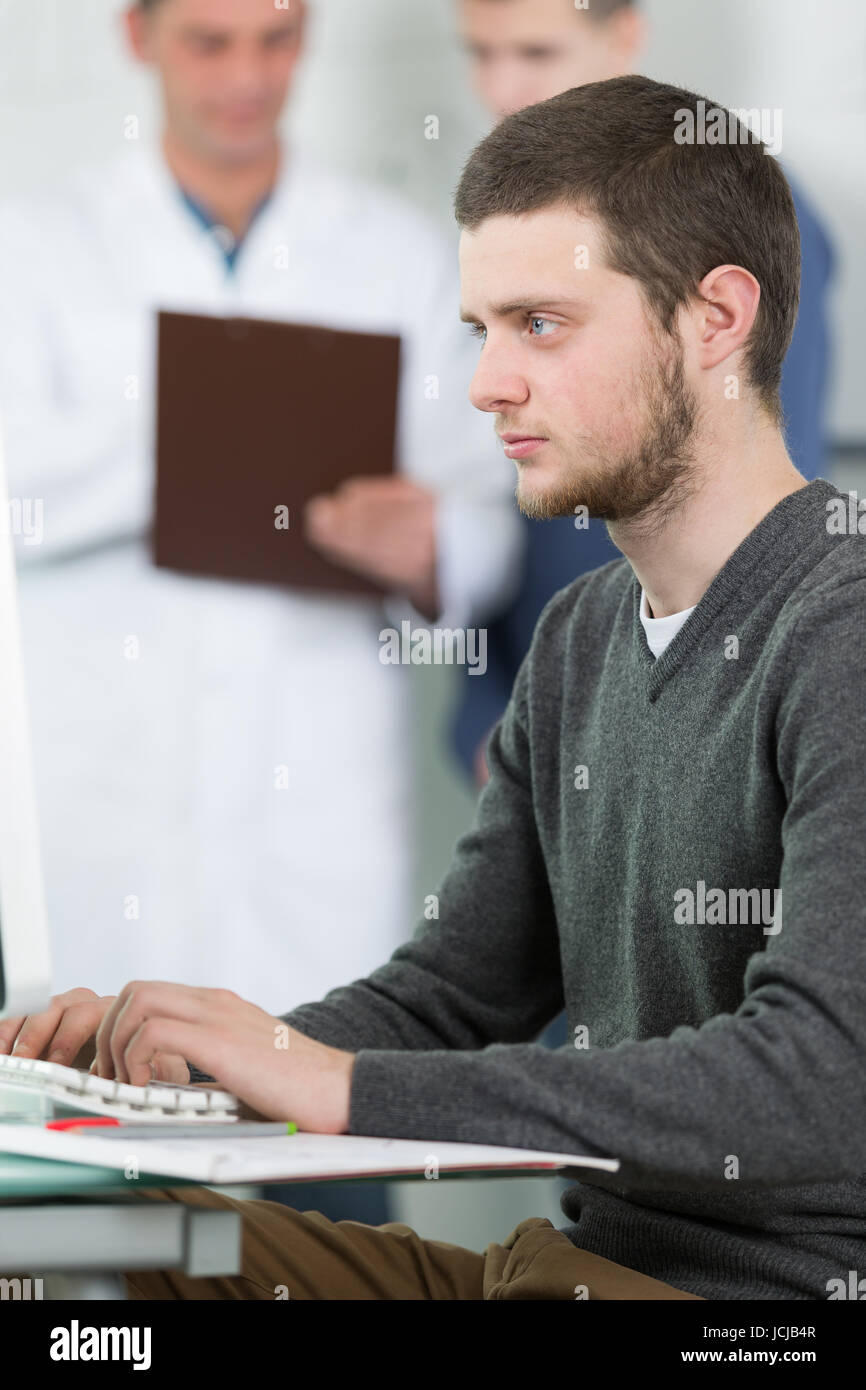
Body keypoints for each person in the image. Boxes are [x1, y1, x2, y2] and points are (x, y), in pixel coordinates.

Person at [4, 74, 863, 1301]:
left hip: (753, 1308)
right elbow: (450, 996)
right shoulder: (578, 638)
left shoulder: (841, 624)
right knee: (84, 1249)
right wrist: (187, 1063)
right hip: (557, 1268)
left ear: (714, 317)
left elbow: (817, 1081)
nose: (484, 385)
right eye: (480, 331)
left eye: (541, 325)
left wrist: (339, 1089)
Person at [0, 0, 520, 1223]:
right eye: (209, 40)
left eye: (276, 38)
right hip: (102, 814)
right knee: (83, 1220)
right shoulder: (34, 248)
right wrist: (217, 427)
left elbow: (494, 527)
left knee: (324, 1223)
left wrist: (428, 538)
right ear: (138, 38)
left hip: (311, 831)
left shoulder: (396, 255)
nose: (247, 74)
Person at [452, 0, 835, 799]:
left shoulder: (732, 224)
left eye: (536, 51)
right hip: (549, 735)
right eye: (482, 55)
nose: (504, 88)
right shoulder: (506, 247)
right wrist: (493, 722)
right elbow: (501, 506)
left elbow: (741, 502)